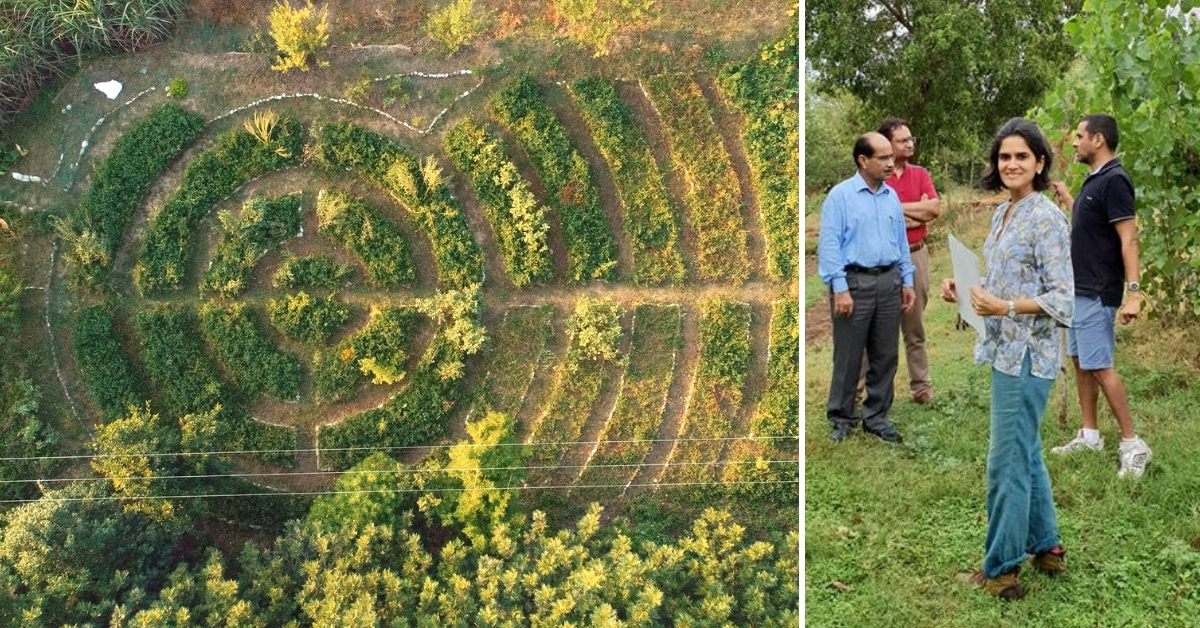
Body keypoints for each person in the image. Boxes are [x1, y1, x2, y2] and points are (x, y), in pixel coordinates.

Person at [941, 118, 1073, 600]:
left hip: (1029, 357)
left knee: (1006, 463)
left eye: (1021, 156)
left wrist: (1007, 307)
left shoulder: (1046, 218)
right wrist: (964, 289)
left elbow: (1063, 298)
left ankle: (1001, 568)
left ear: (1040, 163)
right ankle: (1047, 547)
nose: (1011, 164)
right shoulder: (1003, 214)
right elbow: (1000, 279)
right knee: (1026, 451)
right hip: (1003, 350)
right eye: (1004, 157)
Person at [1048, 114, 1151, 478]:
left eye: (1080, 136)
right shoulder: (1096, 181)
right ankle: (1090, 434)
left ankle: (1133, 444)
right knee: (1081, 362)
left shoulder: (1116, 180)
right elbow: (1093, 225)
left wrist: (1134, 293)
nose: (1074, 143)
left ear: (1099, 139)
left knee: (1100, 365)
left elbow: (1128, 238)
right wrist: (1071, 199)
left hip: (1097, 290)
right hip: (1079, 289)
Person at [818, 132, 915, 443]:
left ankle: (876, 416)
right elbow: (830, 244)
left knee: (886, 353)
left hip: (889, 280)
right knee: (849, 354)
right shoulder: (841, 196)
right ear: (863, 160)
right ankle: (843, 417)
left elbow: (900, 241)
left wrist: (907, 279)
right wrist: (840, 287)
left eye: (891, 157)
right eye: (883, 157)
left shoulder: (891, 197)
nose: (891, 162)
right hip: (854, 282)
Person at [861, 118, 941, 403]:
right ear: (887, 145)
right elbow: (871, 214)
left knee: (914, 326)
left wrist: (894, 209)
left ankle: (921, 387)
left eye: (911, 139)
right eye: (903, 140)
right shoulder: (873, 175)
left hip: (916, 254)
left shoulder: (920, 174)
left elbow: (934, 209)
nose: (910, 144)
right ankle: (864, 391)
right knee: (874, 329)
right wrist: (911, 212)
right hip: (881, 260)